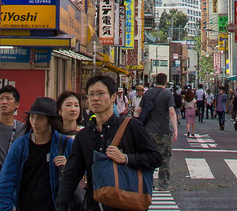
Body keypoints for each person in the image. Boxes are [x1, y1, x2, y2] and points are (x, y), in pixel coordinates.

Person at [55, 74, 162, 211]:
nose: (95, 98)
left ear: (113, 97)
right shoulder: (84, 136)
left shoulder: (131, 126)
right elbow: (71, 175)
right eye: (91, 94)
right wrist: (61, 204)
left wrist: (126, 158)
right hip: (94, 205)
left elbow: (155, 158)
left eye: (100, 93)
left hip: (126, 203)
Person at [0, 97, 71, 211]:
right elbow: (5, 183)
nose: (35, 122)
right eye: (32, 116)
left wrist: (69, 166)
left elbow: (82, 174)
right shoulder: (20, 146)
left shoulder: (65, 144)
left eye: (40, 118)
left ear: (50, 120)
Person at [136, 73, 177, 189]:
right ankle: (163, 185)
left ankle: (147, 182)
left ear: (155, 81)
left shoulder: (147, 93)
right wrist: (175, 129)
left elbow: (139, 110)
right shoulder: (167, 94)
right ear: (165, 82)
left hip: (148, 131)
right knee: (164, 158)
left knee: (147, 156)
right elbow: (172, 112)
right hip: (163, 131)